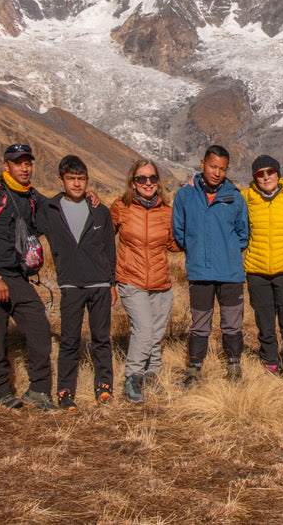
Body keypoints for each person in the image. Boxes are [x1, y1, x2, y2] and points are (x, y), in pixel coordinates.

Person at [0, 143, 56, 410]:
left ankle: (39, 389)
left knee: (40, 327)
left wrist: (87, 198)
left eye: (28, 163)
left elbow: (54, 209)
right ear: (6, 166)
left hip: (17, 276)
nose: (25, 168)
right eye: (19, 163)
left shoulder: (31, 196)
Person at [40, 155, 116, 410]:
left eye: (81, 179)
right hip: (71, 285)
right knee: (70, 339)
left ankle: (104, 386)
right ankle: (65, 391)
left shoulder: (99, 210)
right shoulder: (50, 210)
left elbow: (109, 247)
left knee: (101, 338)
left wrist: (112, 282)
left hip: (99, 285)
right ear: (61, 180)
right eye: (71, 179)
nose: (76, 184)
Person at [173, 144, 249, 385]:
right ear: (202, 164)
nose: (217, 172)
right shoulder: (184, 195)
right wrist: (198, 251)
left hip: (231, 273)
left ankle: (234, 367)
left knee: (232, 323)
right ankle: (194, 369)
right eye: (213, 166)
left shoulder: (235, 197)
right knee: (200, 323)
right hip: (200, 271)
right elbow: (179, 231)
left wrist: (224, 251)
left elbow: (243, 234)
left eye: (223, 169)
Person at [110, 158, 178, 402]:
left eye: (152, 178)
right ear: (133, 182)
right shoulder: (120, 207)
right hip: (131, 279)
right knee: (144, 330)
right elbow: (105, 236)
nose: (147, 183)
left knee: (156, 333)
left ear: (157, 182)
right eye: (142, 178)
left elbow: (172, 244)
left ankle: (151, 376)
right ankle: (132, 376)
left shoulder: (166, 212)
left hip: (161, 283)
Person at [242, 155, 283, 375]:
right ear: (255, 177)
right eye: (260, 173)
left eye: (270, 172)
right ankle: (270, 360)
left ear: (278, 173)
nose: (266, 177)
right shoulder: (246, 197)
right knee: (264, 321)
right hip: (256, 271)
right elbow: (221, 194)